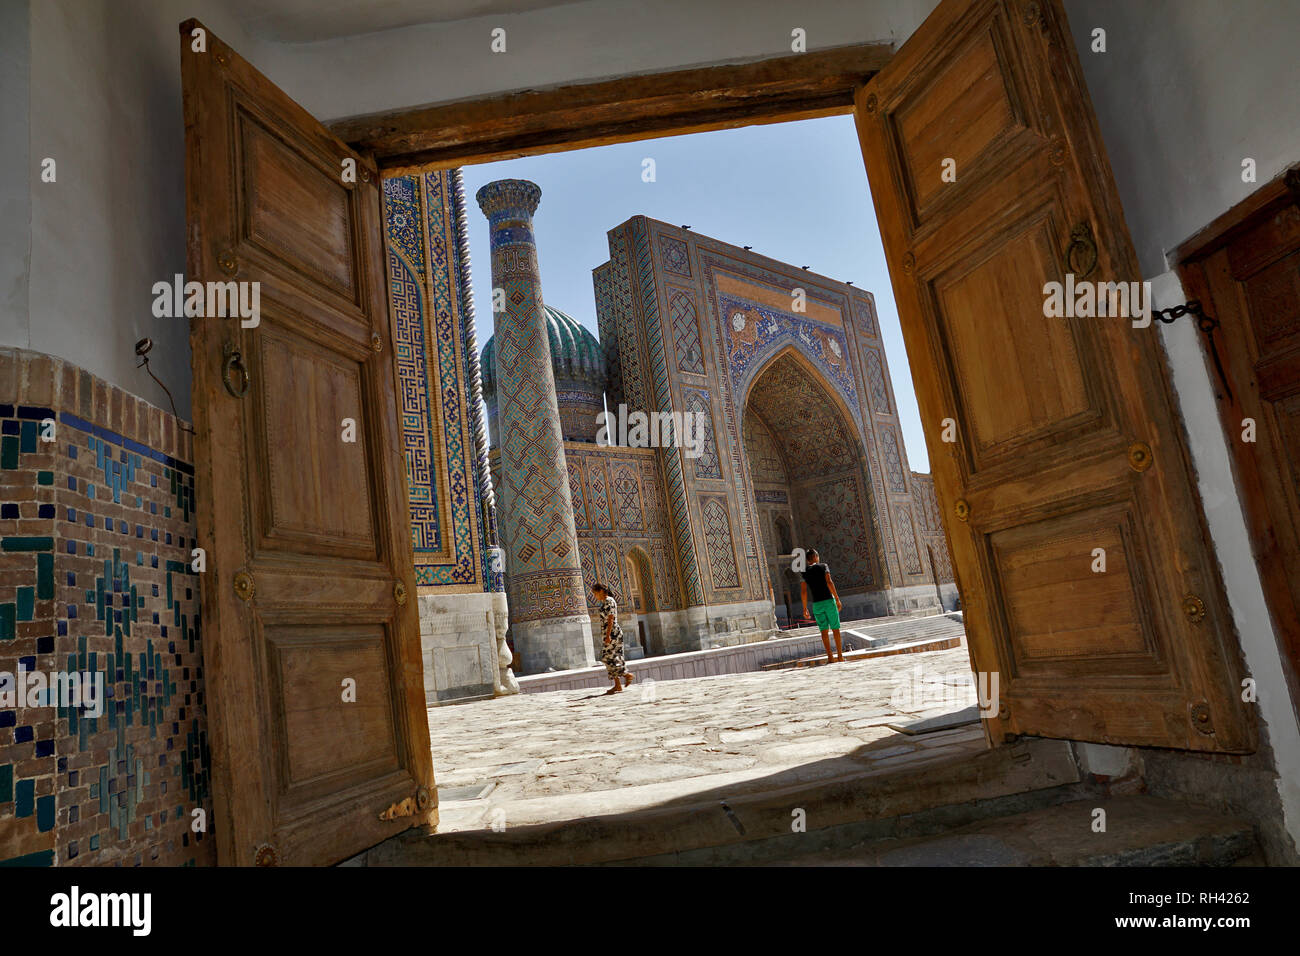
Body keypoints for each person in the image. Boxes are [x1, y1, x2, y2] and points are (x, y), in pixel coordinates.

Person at [800, 548, 844, 663]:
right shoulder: (823, 566)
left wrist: (805, 608)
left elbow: (804, 592)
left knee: (824, 631)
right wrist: (837, 599)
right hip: (829, 601)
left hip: (817, 605)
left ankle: (830, 657)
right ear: (815, 557)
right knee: (835, 629)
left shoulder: (804, 571)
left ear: (807, 560)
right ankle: (840, 656)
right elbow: (829, 582)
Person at [592, 583, 634, 694]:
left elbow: (611, 619)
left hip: (613, 633)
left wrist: (608, 636)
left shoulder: (609, 601)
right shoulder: (605, 602)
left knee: (611, 658)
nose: (595, 596)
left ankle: (627, 675)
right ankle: (618, 685)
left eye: (595, 593)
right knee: (608, 658)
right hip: (609, 633)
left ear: (601, 591)